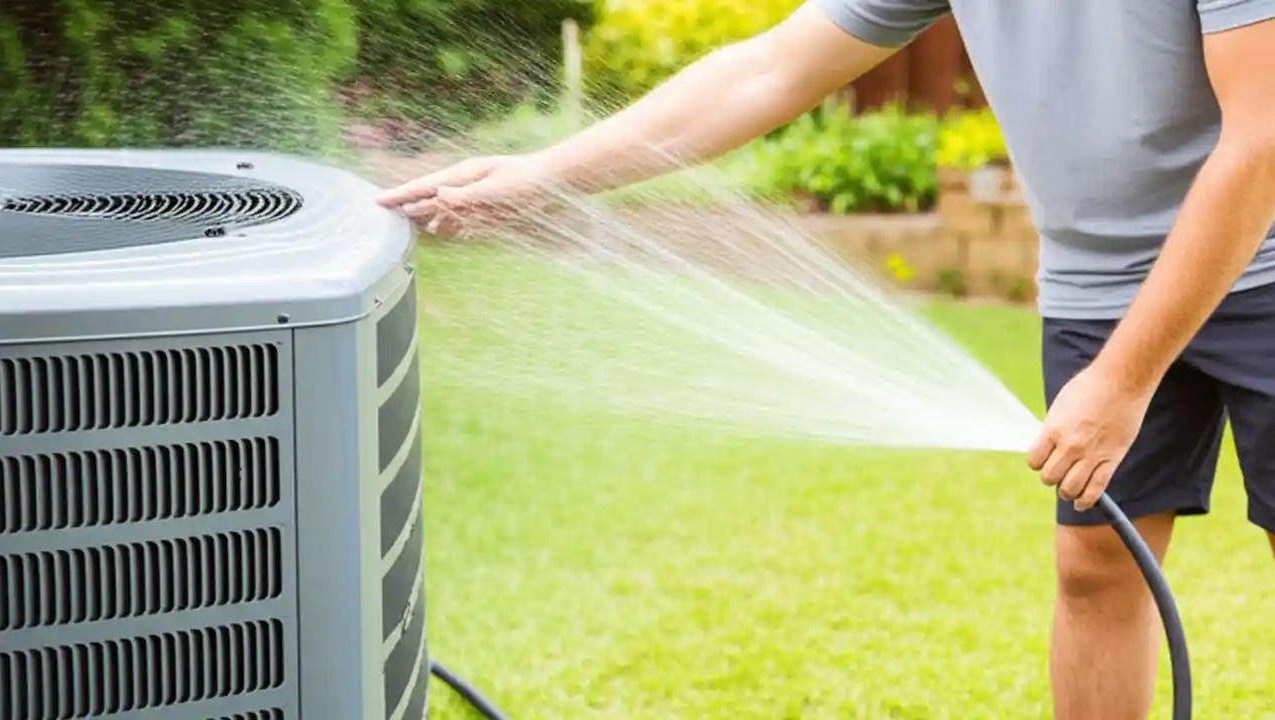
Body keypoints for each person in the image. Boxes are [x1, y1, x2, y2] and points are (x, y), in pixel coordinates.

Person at [379, 2, 1275, 717]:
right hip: (1097, 279)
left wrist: (1122, 381)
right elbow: (774, 67)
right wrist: (542, 175)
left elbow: (1262, 141)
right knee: (1093, 568)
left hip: (1266, 256)